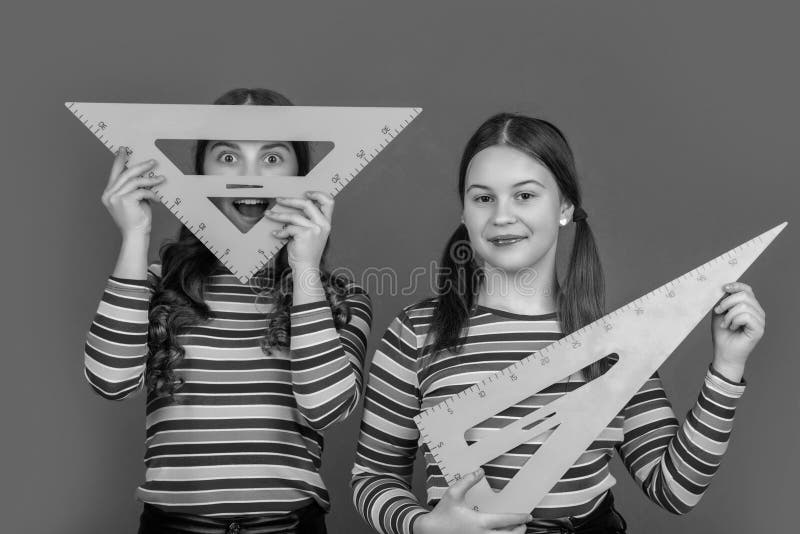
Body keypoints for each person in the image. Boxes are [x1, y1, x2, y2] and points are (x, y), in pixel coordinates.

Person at [351, 113, 764, 534]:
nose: (502, 216)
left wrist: (727, 368)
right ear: (464, 212)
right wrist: (422, 526)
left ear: (564, 206)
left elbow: (675, 489)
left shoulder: (611, 342)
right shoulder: (417, 331)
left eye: (525, 196)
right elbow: (373, 477)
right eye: (483, 198)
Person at [84, 88, 372, 533]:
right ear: (199, 174)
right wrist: (135, 236)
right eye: (228, 157)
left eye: (273, 158)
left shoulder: (339, 294)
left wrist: (304, 268)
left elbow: (327, 409)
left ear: (305, 175)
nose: (250, 178)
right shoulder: (158, 283)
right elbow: (109, 381)